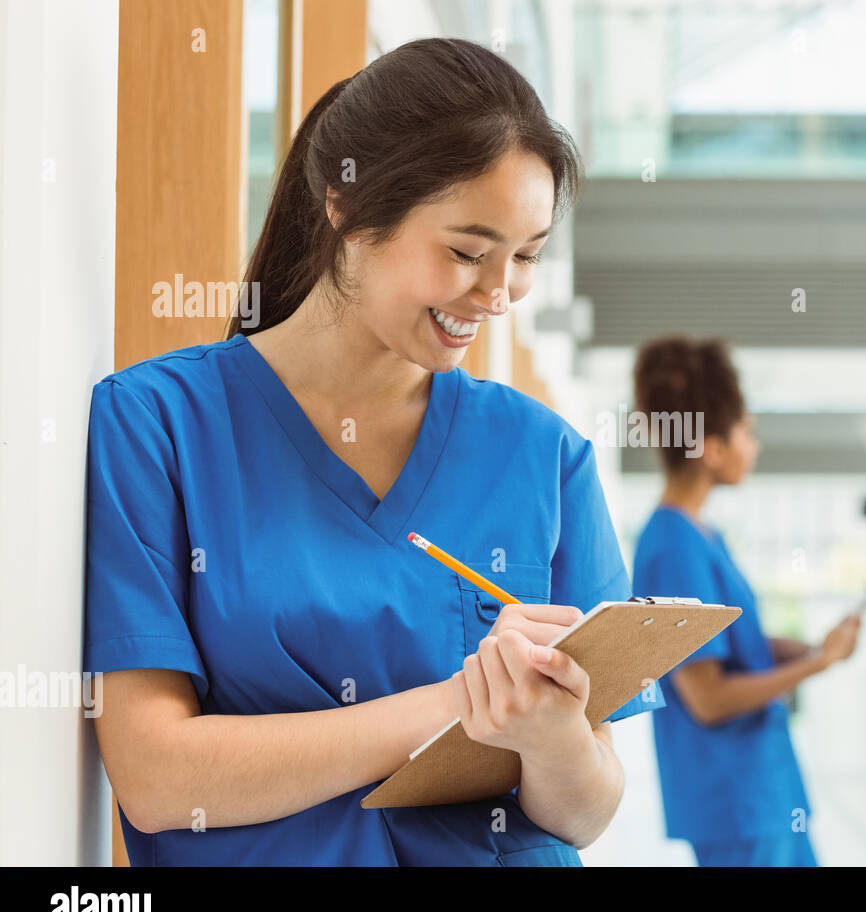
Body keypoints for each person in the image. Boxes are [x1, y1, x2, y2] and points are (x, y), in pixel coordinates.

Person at [83, 37, 661, 866]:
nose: (498, 294)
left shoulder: (544, 458)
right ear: (349, 210)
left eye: (526, 257)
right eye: (467, 252)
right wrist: (459, 705)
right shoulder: (157, 425)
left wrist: (550, 731)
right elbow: (158, 778)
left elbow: (586, 812)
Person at [629, 336, 861, 867]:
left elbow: (736, 645)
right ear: (712, 447)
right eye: (748, 434)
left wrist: (806, 649)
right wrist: (818, 665)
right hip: (736, 804)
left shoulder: (701, 534)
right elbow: (707, 699)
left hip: (762, 796)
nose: (754, 448)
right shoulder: (672, 547)